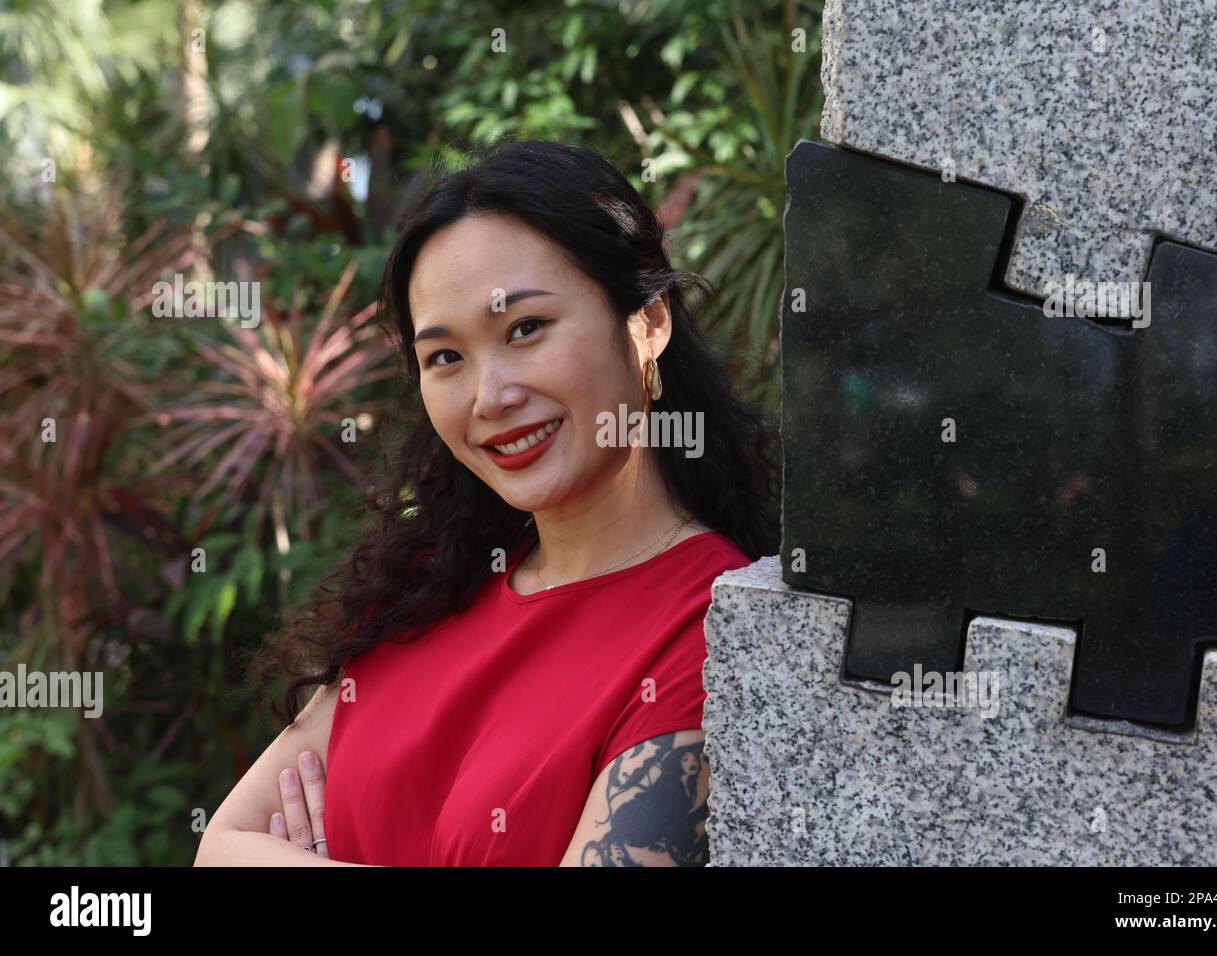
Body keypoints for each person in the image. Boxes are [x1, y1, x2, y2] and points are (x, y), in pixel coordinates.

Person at [193, 138, 780, 866]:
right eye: (446, 357)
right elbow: (218, 849)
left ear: (648, 323)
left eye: (525, 329)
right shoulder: (426, 588)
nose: (489, 397)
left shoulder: (706, 638)